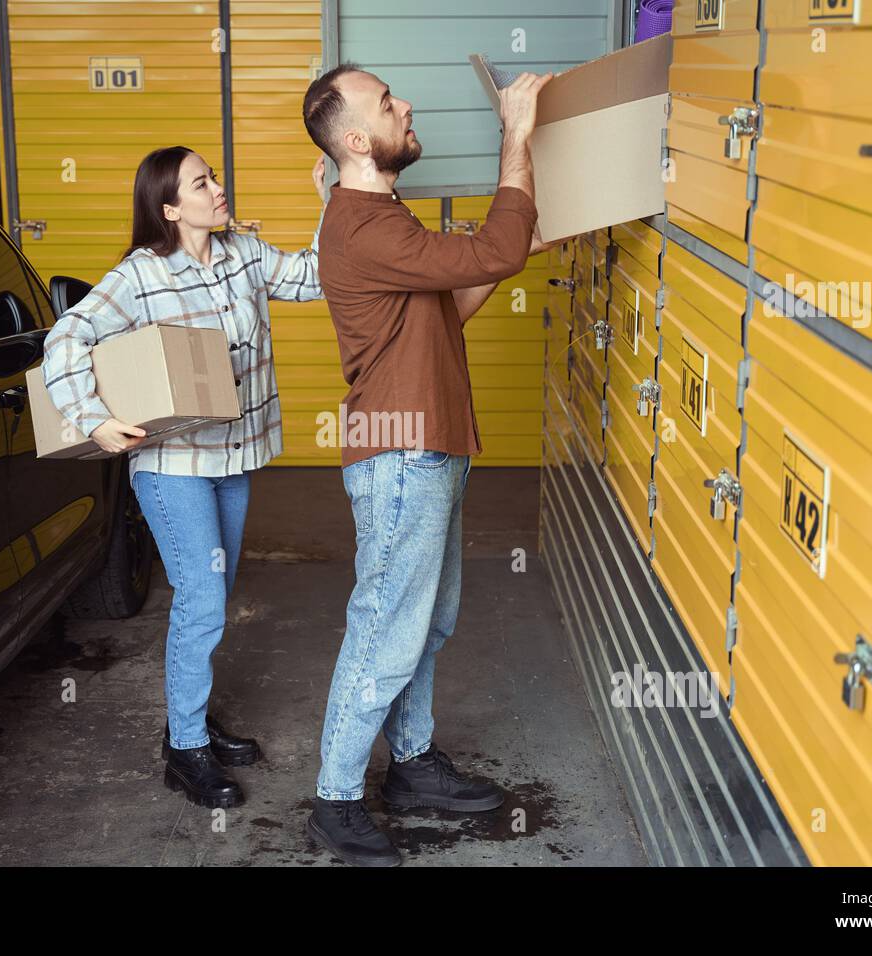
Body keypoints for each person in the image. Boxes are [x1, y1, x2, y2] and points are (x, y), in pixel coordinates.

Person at [300, 63, 554, 865]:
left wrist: (500, 253)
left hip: (430, 448)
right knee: (384, 628)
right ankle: (335, 800)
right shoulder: (365, 226)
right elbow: (499, 250)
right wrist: (516, 135)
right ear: (353, 140)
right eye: (386, 103)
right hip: (402, 457)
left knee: (425, 623)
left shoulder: (383, 218)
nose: (404, 105)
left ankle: (411, 764)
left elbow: (454, 303)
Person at [43, 146, 326, 809]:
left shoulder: (245, 257)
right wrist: (92, 420)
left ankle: (189, 719)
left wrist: (332, 200)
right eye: (203, 183)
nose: (219, 188)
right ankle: (185, 750)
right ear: (170, 208)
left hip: (232, 462)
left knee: (214, 596)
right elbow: (65, 338)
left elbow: (315, 277)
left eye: (216, 177)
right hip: (172, 468)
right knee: (201, 598)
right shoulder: (142, 276)